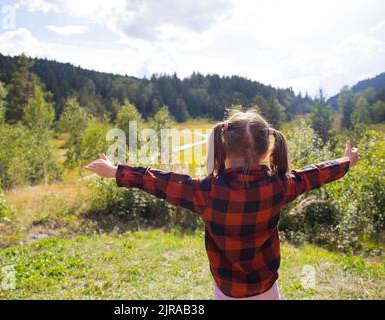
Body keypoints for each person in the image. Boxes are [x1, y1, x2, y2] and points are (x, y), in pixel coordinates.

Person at [85, 111, 359, 300]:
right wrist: (346, 162)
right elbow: (314, 174)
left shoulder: (206, 192)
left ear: (223, 147)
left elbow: (159, 181)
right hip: (266, 288)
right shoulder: (280, 186)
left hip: (227, 290)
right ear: (267, 150)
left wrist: (115, 171)